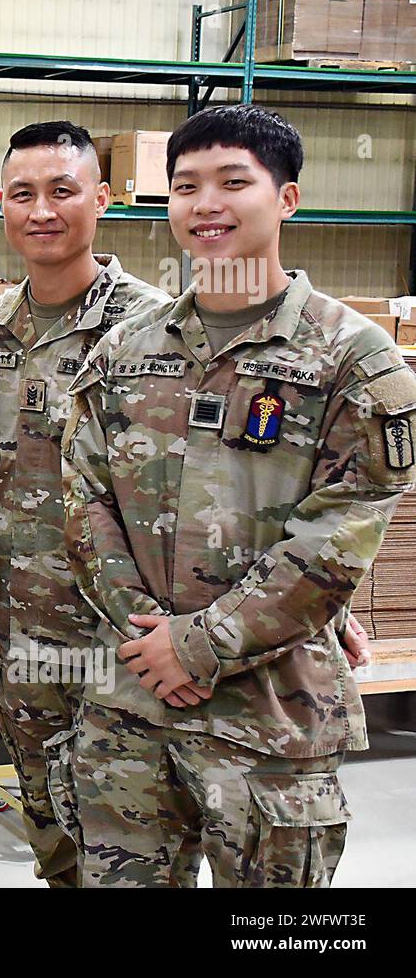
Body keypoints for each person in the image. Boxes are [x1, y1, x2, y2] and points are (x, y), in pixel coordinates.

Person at [62, 103, 416, 887]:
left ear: (286, 198)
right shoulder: (126, 348)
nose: (206, 204)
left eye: (233, 182)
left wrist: (197, 645)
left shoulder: (355, 360)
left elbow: (339, 537)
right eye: (185, 186)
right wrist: (150, 637)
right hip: (131, 706)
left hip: (271, 722)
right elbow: (84, 498)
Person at [0, 121, 172, 887]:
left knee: (132, 855)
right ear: (3, 206)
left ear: (102, 197)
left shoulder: (158, 329)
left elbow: (217, 486)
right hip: (26, 643)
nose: (43, 211)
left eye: (63, 191)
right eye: (23, 194)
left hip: (124, 646)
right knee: (55, 847)